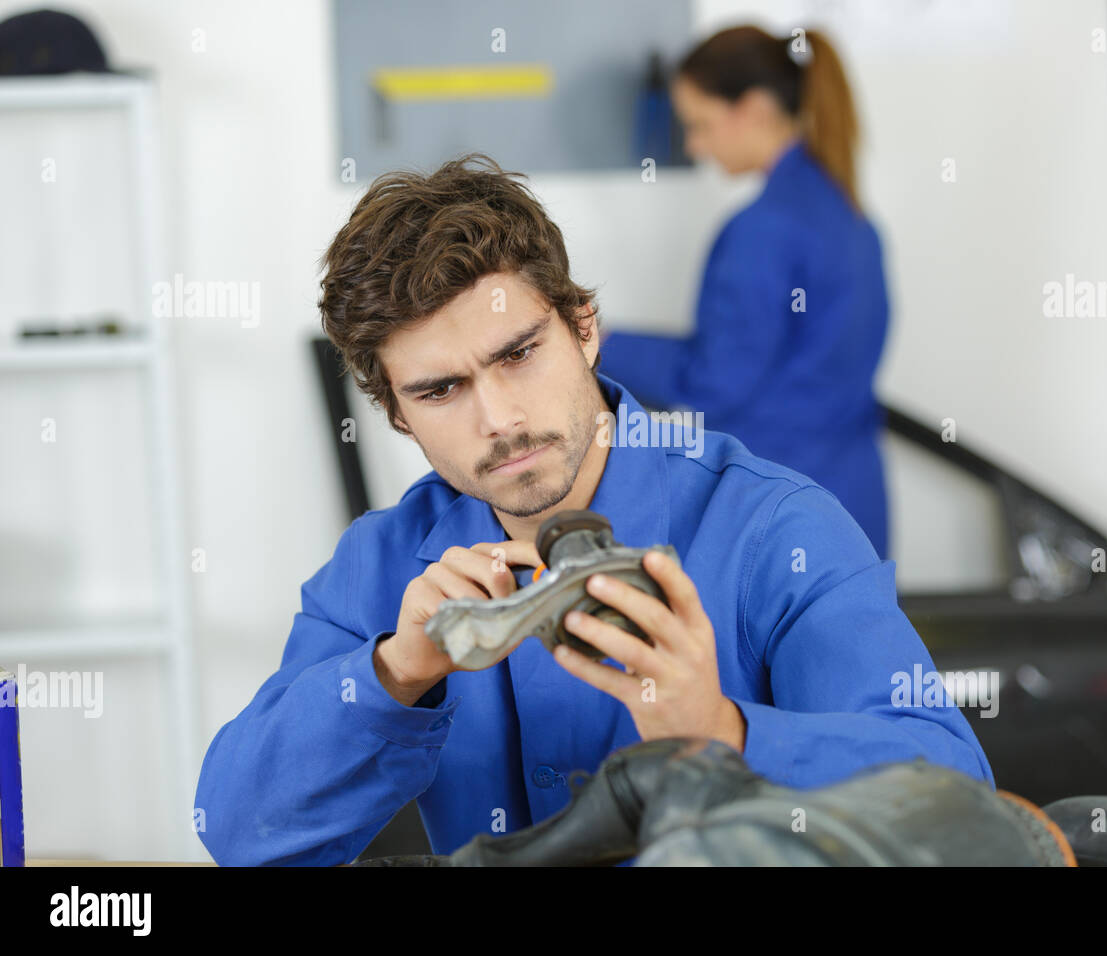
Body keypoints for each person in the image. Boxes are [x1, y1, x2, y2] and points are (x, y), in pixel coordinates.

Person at [192, 155, 991, 866]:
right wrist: (395, 676)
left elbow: (955, 801)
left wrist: (723, 732)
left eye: (518, 354)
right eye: (441, 391)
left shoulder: (776, 531)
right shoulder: (380, 569)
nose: (498, 419)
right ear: (399, 415)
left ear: (584, 328)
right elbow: (239, 833)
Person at [599, 25, 893, 558]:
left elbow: (714, 381)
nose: (694, 145)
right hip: (855, 492)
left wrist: (600, 340)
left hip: (783, 498)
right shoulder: (851, 215)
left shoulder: (762, 229)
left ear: (754, 107)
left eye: (700, 124)